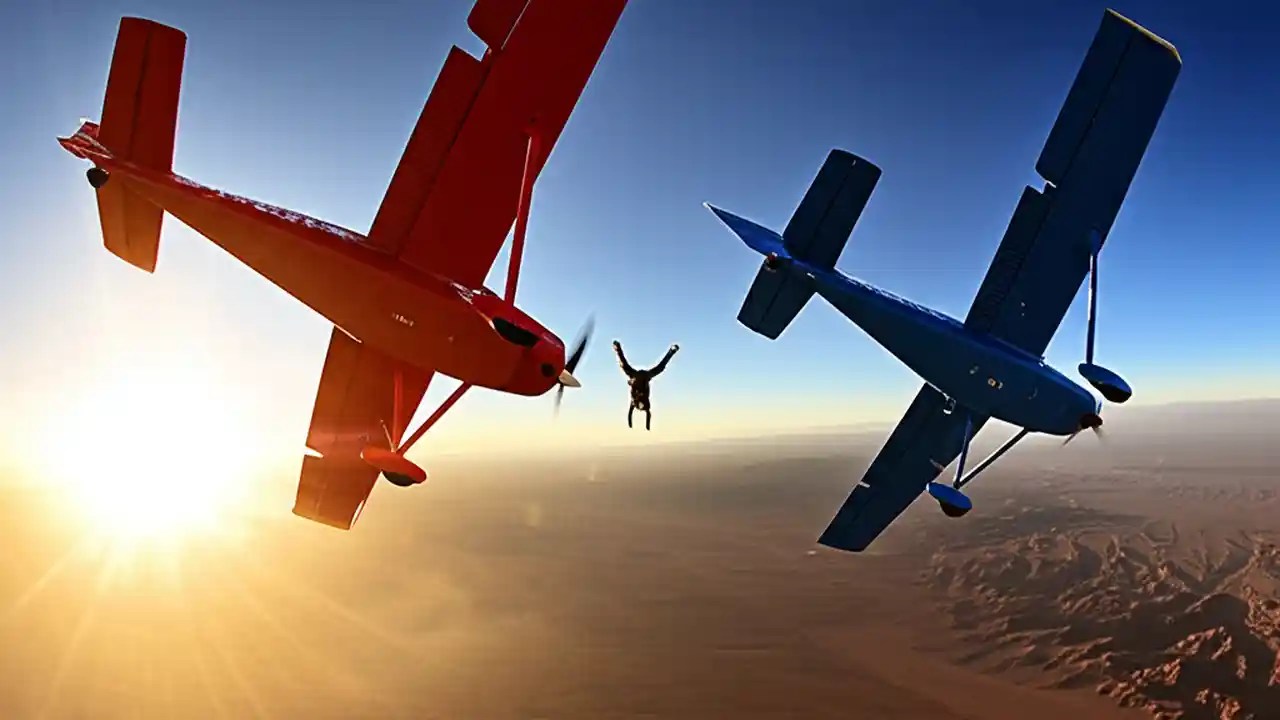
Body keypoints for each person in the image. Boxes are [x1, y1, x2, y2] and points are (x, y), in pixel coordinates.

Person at [613, 340, 679, 431]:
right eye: (641, 405)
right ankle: (672, 351)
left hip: (635, 377)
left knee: (624, 366)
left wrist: (630, 423)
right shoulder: (646, 405)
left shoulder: (634, 402)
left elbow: (630, 413)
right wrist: (647, 425)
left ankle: (617, 348)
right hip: (645, 377)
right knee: (660, 368)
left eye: (639, 405)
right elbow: (648, 414)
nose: (640, 404)